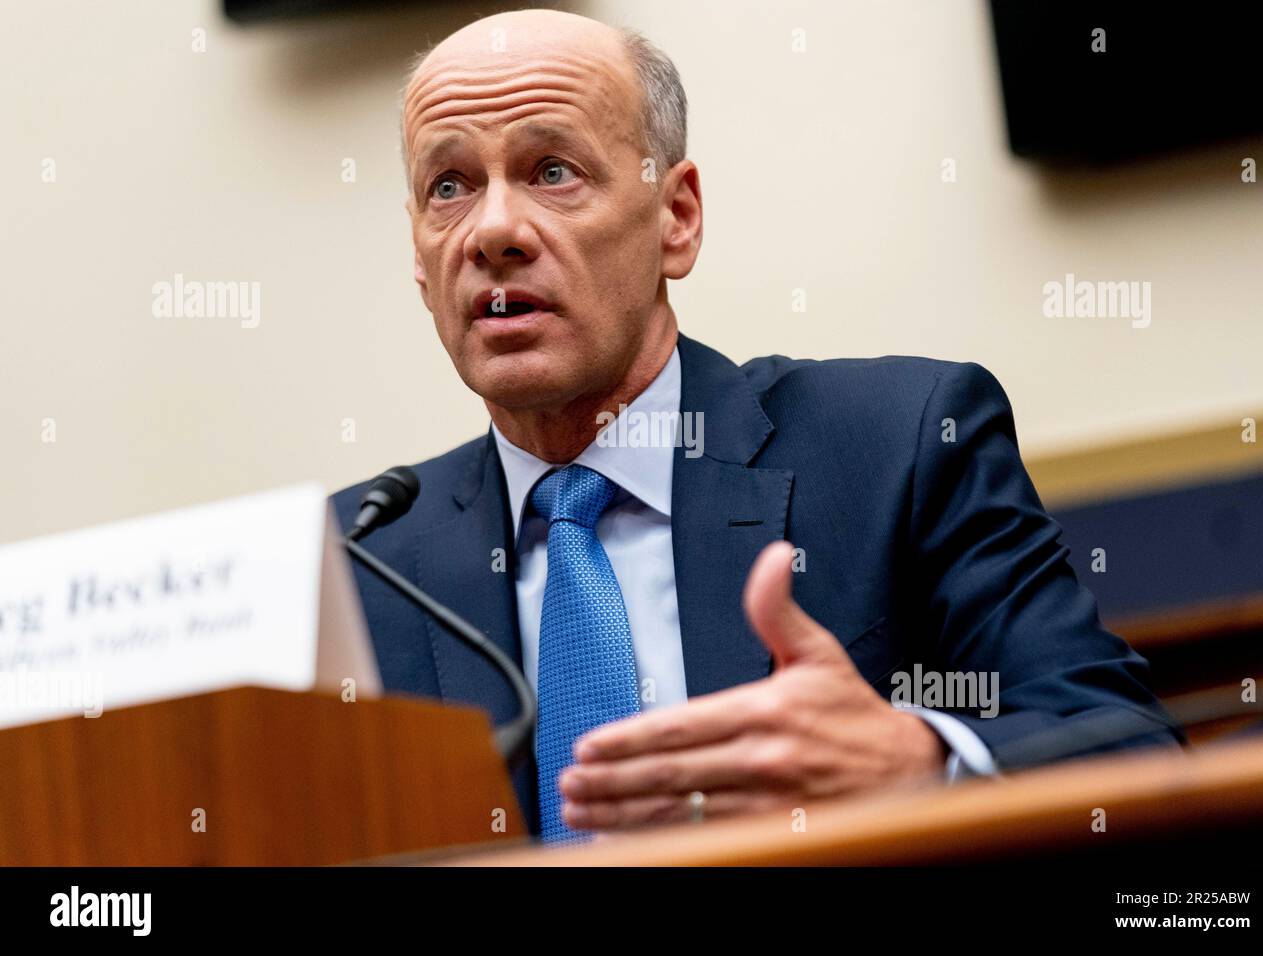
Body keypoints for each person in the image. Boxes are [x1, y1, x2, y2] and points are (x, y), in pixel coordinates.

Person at [331, 8, 1179, 844]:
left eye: (553, 171)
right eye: (449, 187)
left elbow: (1133, 752)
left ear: (676, 216)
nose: (493, 232)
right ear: (419, 259)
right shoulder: (356, 560)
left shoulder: (901, 444)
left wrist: (921, 761)